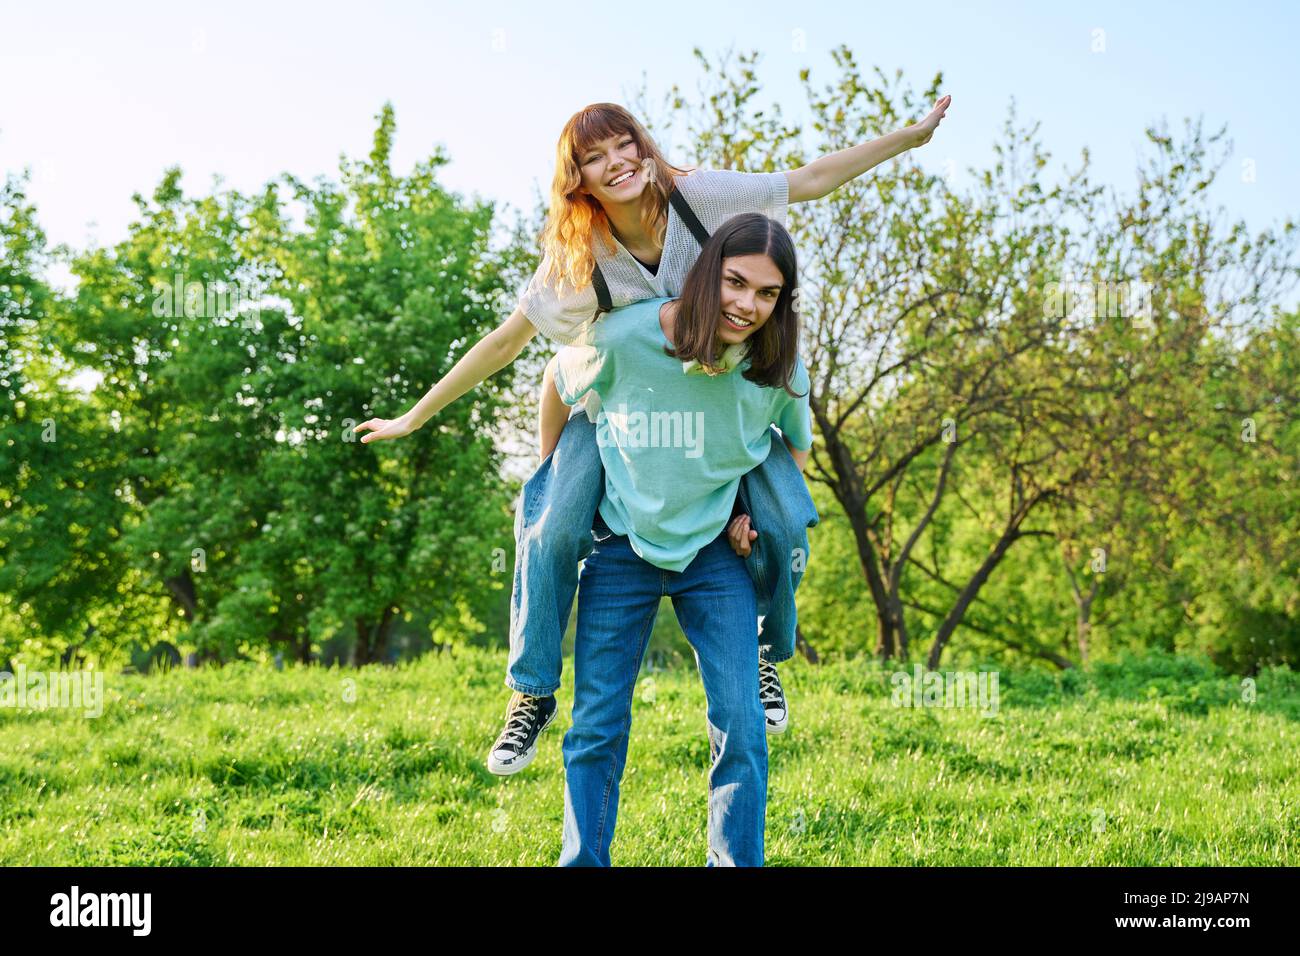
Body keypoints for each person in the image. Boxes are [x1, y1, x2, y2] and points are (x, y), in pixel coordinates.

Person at [352, 97, 952, 774]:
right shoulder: (580, 264)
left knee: (783, 521)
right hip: (611, 407)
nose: (616, 164)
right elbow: (506, 348)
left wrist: (909, 138)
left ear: (644, 146)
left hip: (722, 410)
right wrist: (422, 419)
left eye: (624, 145)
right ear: (576, 179)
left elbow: (807, 180)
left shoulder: (700, 197)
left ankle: (765, 651)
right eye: (594, 158)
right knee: (547, 527)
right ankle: (532, 693)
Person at [551, 212, 809, 866]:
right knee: (596, 727)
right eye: (735, 283)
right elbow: (555, 386)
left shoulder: (774, 367)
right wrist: (559, 484)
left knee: (743, 728)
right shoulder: (627, 338)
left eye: (767, 293)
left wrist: (752, 514)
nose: (748, 305)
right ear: (705, 274)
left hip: (715, 557)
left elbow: (794, 456)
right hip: (620, 550)